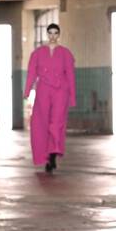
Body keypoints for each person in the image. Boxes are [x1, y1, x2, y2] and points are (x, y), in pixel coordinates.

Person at [24, 22, 75, 172]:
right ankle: (45, 156)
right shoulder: (37, 53)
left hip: (61, 91)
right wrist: (27, 92)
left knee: (57, 123)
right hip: (43, 91)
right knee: (41, 124)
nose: (53, 36)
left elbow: (71, 76)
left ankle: (52, 154)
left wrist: (72, 96)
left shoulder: (66, 53)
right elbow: (31, 73)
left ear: (59, 35)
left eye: (55, 33)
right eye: (50, 33)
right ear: (47, 34)